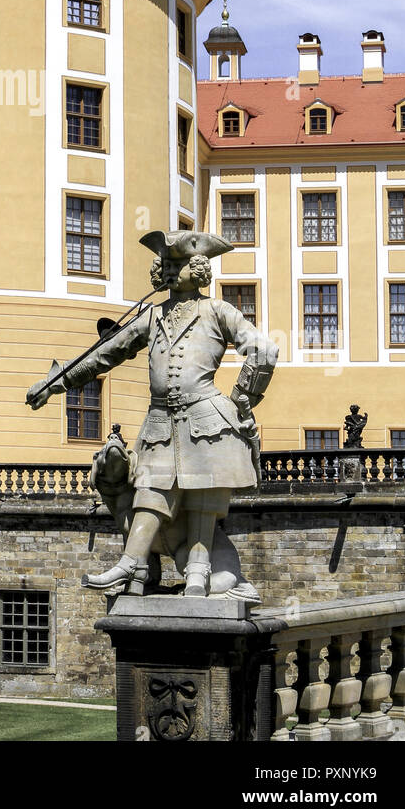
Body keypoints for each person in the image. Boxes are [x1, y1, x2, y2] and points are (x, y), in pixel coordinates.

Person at [26, 230, 278, 599]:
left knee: (202, 502)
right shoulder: (153, 316)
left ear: (198, 268)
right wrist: (56, 382)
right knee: (149, 492)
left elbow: (264, 349)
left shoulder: (217, 310)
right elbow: (105, 352)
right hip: (161, 421)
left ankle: (197, 573)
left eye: (179, 265)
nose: (172, 272)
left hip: (206, 418)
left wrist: (243, 396)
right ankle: (130, 564)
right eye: (168, 265)